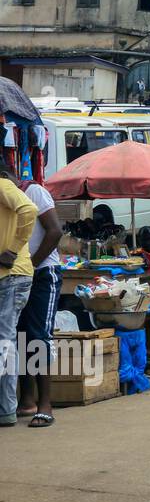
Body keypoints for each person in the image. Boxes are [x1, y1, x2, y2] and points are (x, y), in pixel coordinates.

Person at [11, 165, 60, 428]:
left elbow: (55, 232)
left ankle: (45, 403)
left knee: (39, 335)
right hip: (16, 276)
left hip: (43, 272)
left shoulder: (34, 192)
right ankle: (27, 398)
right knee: (18, 335)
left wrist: (30, 265)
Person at [0, 160, 36, 428]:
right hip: (10, 277)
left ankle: (7, 410)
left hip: (12, 275)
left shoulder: (3, 186)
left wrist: (12, 249)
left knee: (5, 341)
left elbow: (29, 209)